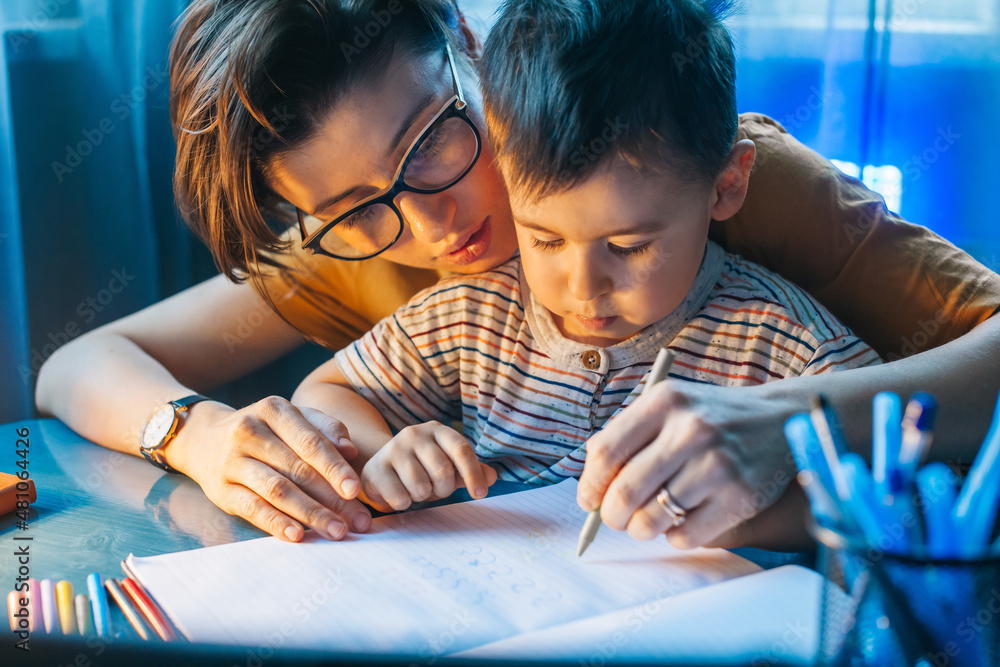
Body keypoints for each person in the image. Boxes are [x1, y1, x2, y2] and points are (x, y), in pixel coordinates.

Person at [34, 0, 1000, 548]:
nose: (434, 223)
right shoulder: (358, 252)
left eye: (431, 141)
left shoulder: (712, 175)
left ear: (469, 47)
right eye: (357, 208)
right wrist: (199, 437)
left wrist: (789, 421)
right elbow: (78, 365)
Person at [290, 0, 884, 527]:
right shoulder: (474, 314)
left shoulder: (783, 342)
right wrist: (383, 455)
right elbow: (327, 391)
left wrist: (760, 515)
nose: (582, 287)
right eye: (544, 240)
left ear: (726, 185)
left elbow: (897, 473)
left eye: (629, 247)